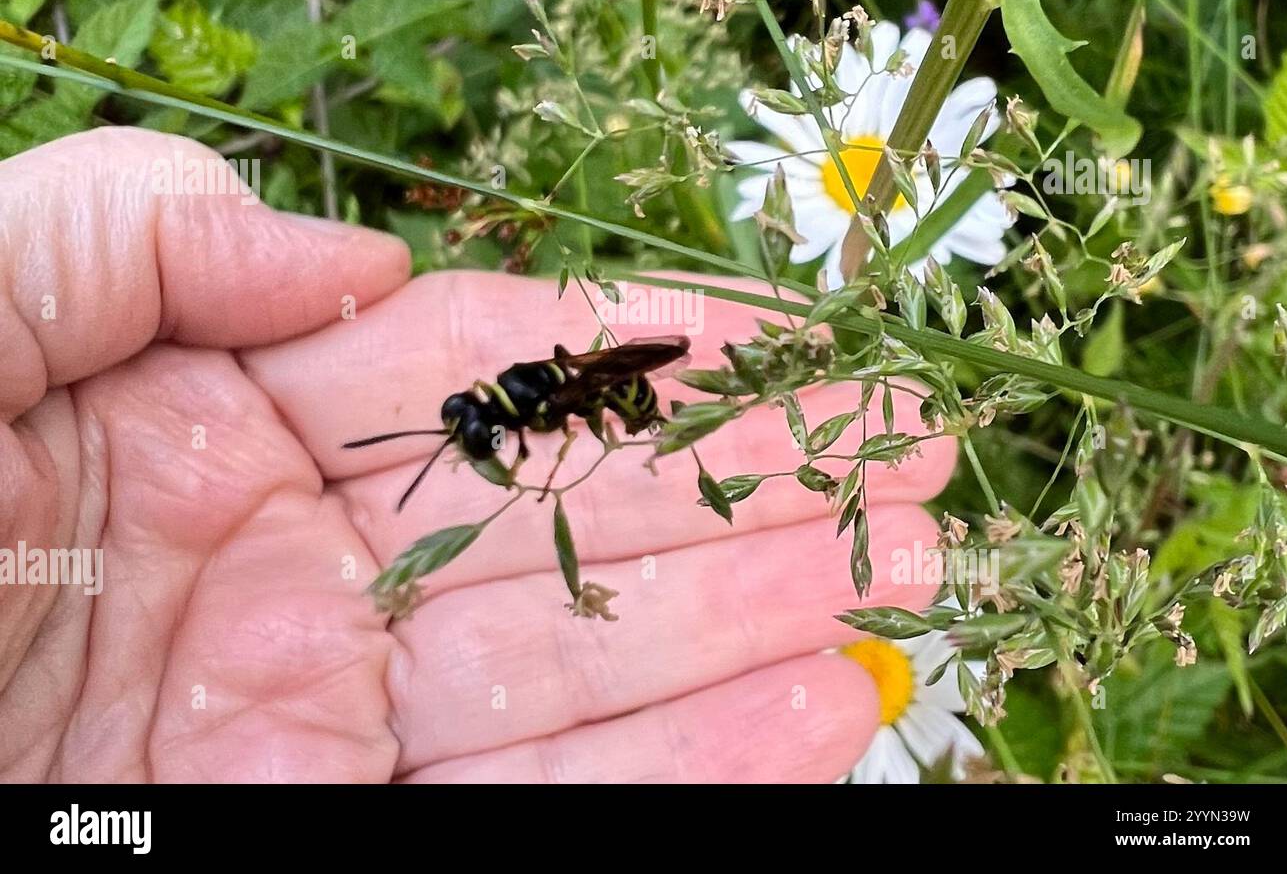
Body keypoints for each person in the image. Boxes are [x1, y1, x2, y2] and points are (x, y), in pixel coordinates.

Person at [0, 128, 954, 783]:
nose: (477, 436)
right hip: (586, 379)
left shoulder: (533, 399)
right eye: (474, 429)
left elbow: (565, 394)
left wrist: (608, 405)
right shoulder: (510, 392)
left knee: (623, 394)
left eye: (474, 427)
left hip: (610, 382)